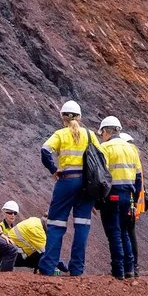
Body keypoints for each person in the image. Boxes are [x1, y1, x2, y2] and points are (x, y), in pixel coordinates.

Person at [38, 100, 102, 276]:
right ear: (80, 117)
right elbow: (101, 158)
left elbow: (45, 151)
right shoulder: (90, 134)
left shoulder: (60, 134)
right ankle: (77, 268)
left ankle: (48, 267)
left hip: (66, 181)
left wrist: (53, 169)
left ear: (62, 117)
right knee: (82, 225)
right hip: (87, 185)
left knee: (56, 223)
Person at [98, 116, 139, 279]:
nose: (102, 136)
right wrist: (134, 199)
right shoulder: (132, 149)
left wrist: (99, 199)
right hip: (127, 196)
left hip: (112, 195)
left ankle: (118, 271)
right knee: (124, 232)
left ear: (106, 131)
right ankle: (129, 269)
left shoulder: (105, 148)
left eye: (102, 133)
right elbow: (138, 178)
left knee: (114, 233)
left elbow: (101, 176)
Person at [0, 201, 66, 272]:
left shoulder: (36, 221)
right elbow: (49, 252)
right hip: (8, 255)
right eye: (10, 213)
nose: (13, 215)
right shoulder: (37, 230)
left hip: (13, 253)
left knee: (40, 253)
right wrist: (66, 268)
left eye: (15, 213)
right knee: (44, 255)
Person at [119, 132, 144, 279]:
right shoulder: (135, 158)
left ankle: (130, 266)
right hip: (133, 203)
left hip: (129, 202)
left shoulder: (129, 158)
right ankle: (133, 266)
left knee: (126, 233)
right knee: (130, 233)